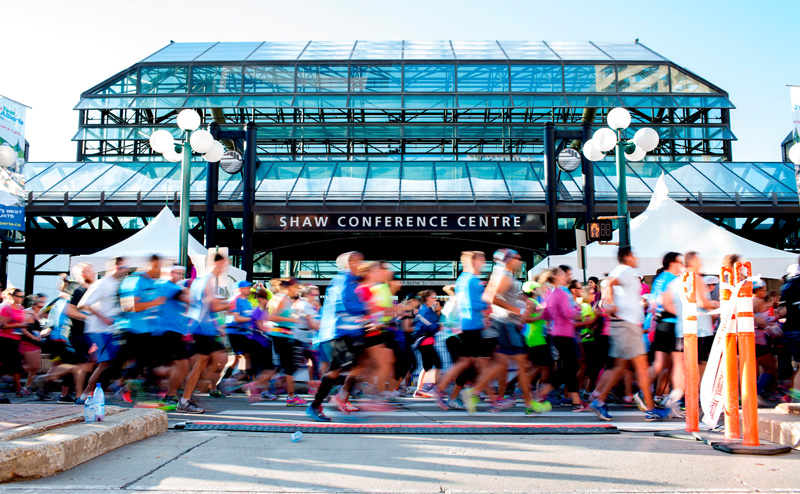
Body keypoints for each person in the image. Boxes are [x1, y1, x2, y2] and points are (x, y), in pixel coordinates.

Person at [589, 247, 669, 422]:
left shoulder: (625, 271)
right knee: (637, 367)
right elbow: (606, 283)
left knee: (621, 366)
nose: (636, 257)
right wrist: (610, 303)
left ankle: (602, 400)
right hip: (626, 324)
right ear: (627, 257)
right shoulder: (625, 270)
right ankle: (649, 408)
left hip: (626, 324)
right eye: (634, 255)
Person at [464, 249, 535, 414]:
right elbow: (490, 297)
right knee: (522, 364)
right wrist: (516, 309)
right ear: (509, 260)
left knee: (503, 365)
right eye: (517, 258)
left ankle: (474, 392)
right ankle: (530, 403)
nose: (520, 261)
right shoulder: (504, 275)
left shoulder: (503, 274)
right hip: (506, 324)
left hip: (504, 323)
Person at [306, 251, 365, 421]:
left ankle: (339, 398)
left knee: (355, 367)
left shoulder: (352, 280)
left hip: (349, 332)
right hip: (340, 332)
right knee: (336, 370)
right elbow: (345, 304)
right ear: (348, 264)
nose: (360, 264)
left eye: (360, 261)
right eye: (356, 261)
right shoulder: (344, 280)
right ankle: (318, 404)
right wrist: (369, 308)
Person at [432, 251, 487, 409]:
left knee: (469, 364)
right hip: (472, 326)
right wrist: (488, 303)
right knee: (474, 364)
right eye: (482, 260)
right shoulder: (472, 279)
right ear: (474, 261)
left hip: (468, 326)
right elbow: (473, 304)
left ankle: (448, 392)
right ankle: (447, 391)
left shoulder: (463, 278)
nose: (484, 263)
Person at [179, 253, 229, 413]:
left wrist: (217, 325)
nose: (225, 267)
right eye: (224, 264)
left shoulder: (203, 280)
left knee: (211, 362)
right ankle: (188, 397)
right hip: (201, 328)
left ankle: (190, 395)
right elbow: (212, 306)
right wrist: (228, 305)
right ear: (218, 263)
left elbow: (205, 305)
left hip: (202, 327)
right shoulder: (208, 280)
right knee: (211, 361)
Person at [77, 257, 129, 402]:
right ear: (116, 267)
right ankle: (86, 395)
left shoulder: (119, 284)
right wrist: (103, 317)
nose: (126, 271)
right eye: (124, 267)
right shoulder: (102, 283)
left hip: (111, 329)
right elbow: (84, 304)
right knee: (105, 363)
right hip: (98, 329)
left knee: (118, 359)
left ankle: (117, 385)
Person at [153, 266, 191, 406]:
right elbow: (188, 299)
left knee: (180, 366)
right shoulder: (169, 287)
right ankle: (170, 395)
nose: (178, 275)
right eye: (176, 272)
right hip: (170, 331)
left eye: (181, 273)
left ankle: (170, 394)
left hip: (175, 330)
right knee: (182, 366)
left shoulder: (172, 287)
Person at [267, 278, 308, 406]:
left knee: (286, 366)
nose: (297, 291)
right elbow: (272, 317)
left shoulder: (284, 299)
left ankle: (263, 387)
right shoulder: (281, 299)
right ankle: (290, 396)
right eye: (296, 288)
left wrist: (292, 318)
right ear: (290, 287)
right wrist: (293, 320)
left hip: (284, 335)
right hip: (280, 336)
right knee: (289, 366)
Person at [225, 280, 257, 386]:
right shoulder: (235, 300)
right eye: (247, 288)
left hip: (244, 332)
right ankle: (230, 379)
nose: (249, 289)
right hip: (235, 332)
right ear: (240, 289)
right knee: (244, 356)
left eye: (249, 287)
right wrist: (252, 318)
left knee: (245, 356)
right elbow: (237, 318)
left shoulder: (247, 301)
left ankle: (243, 378)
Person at [412, 289, 442, 398]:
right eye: (434, 297)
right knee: (437, 364)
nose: (435, 299)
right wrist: (438, 326)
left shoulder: (428, 309)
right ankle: (436, 389)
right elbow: (426, 325)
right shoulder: (424, 310)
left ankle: (421, 390)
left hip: (427, 340)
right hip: (424, 340)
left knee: (428, 366)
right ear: (427, 298)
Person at [779, 259, 800, 403]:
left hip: (791, 329)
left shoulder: (787, 285)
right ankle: (795, 397)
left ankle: (792, 395)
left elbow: (782, 311)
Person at [0, 288, 27, 397]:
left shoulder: (21, 308)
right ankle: (18, 388)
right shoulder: (6, 308)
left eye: (23, 296)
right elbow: (2, 325)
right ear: (13, 296)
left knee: (16, 365)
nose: (22, 298)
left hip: (16, 339)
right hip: (4, 339)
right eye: (19, 296)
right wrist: (20, 325)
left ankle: (18, 389)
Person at [20, 295, 45, 397]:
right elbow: (23, 329)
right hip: (28, 343)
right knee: (34, 366)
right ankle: (10, 377)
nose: (41, 308)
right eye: (39, 306)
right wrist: (34, 337)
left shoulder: (36, 315)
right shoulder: (29, 315)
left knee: (34, 367)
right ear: (34, 306)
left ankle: (27, 386)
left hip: (34, 343)